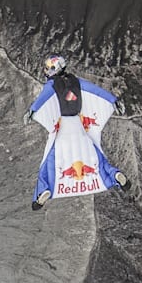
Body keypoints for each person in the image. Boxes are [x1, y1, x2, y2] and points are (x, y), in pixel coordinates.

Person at [24, 54, 130, 210]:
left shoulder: (52, 85)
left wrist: (31, 111)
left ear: (56, 69)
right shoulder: (76, 82)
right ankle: (114, 175)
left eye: (49, 68)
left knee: (48, 164)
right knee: (98, 160)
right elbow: (96, 91)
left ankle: (43, 191)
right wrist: (113, 101)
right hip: (79, 128)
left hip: (62, 131)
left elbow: (42, 99)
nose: (46, 71)